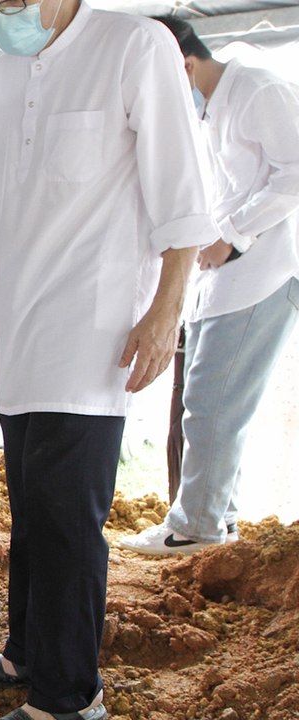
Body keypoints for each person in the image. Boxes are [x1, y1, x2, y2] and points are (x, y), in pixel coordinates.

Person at [0, 2, 219, 719]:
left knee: (66, 519)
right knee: (32, 509)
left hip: (95, 330)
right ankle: (27, 655)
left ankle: (69, 698)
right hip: (20, 329)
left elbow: (182, 197)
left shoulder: (135, 46)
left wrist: (165, 311)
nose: (0, 13)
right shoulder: (5, 73)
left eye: (9, 1)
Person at [121, 17, 299, 556]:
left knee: (213, 402)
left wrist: (233, 236)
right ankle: (216, 519)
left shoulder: (258, 90)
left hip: (262, 272)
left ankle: (196, 527)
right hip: (225, 277)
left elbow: (295, 172)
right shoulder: (211, 111)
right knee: (211, 400)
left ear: (185, 64)